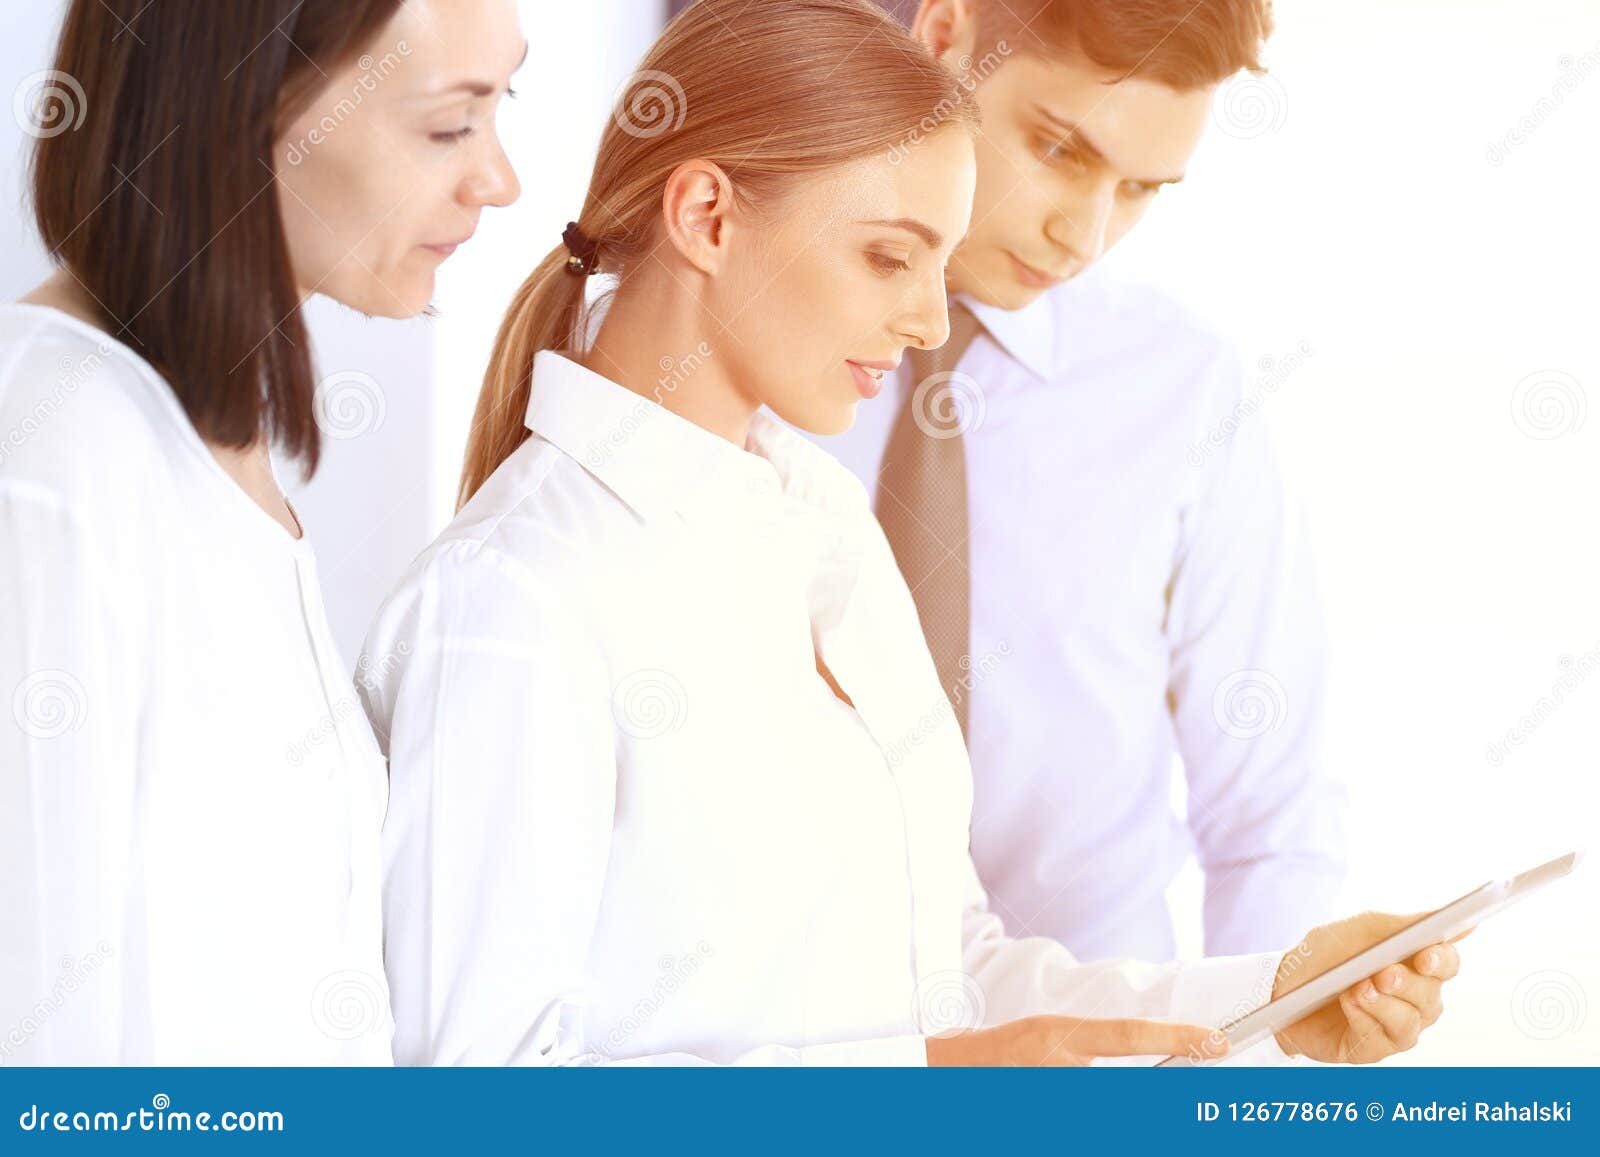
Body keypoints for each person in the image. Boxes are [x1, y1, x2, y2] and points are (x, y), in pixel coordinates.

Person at [361, 0, 1459, 1067]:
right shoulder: (512, 599)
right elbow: (480, 1088)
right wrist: (920, 1088)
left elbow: (947, 975)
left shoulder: (823, 524)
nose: (932, 320)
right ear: (705, 218)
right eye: (890, 257)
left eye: (938, 263)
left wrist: (1267, 998)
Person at [0, 0, 522, 1064]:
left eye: (502, 104)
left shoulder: (200, 447)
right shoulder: (57, 461)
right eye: (447, 124)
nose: (498, 178)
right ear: (243, 107)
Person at [809, 0, 1343, 961]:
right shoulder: (751, 349)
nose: (1085, 235)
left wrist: (1231, 1090)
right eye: (1060, 150)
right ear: (945, 40)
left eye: (1142, 189)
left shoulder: (1184, 392)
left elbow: (1273, 819)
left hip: (1098, 1063)